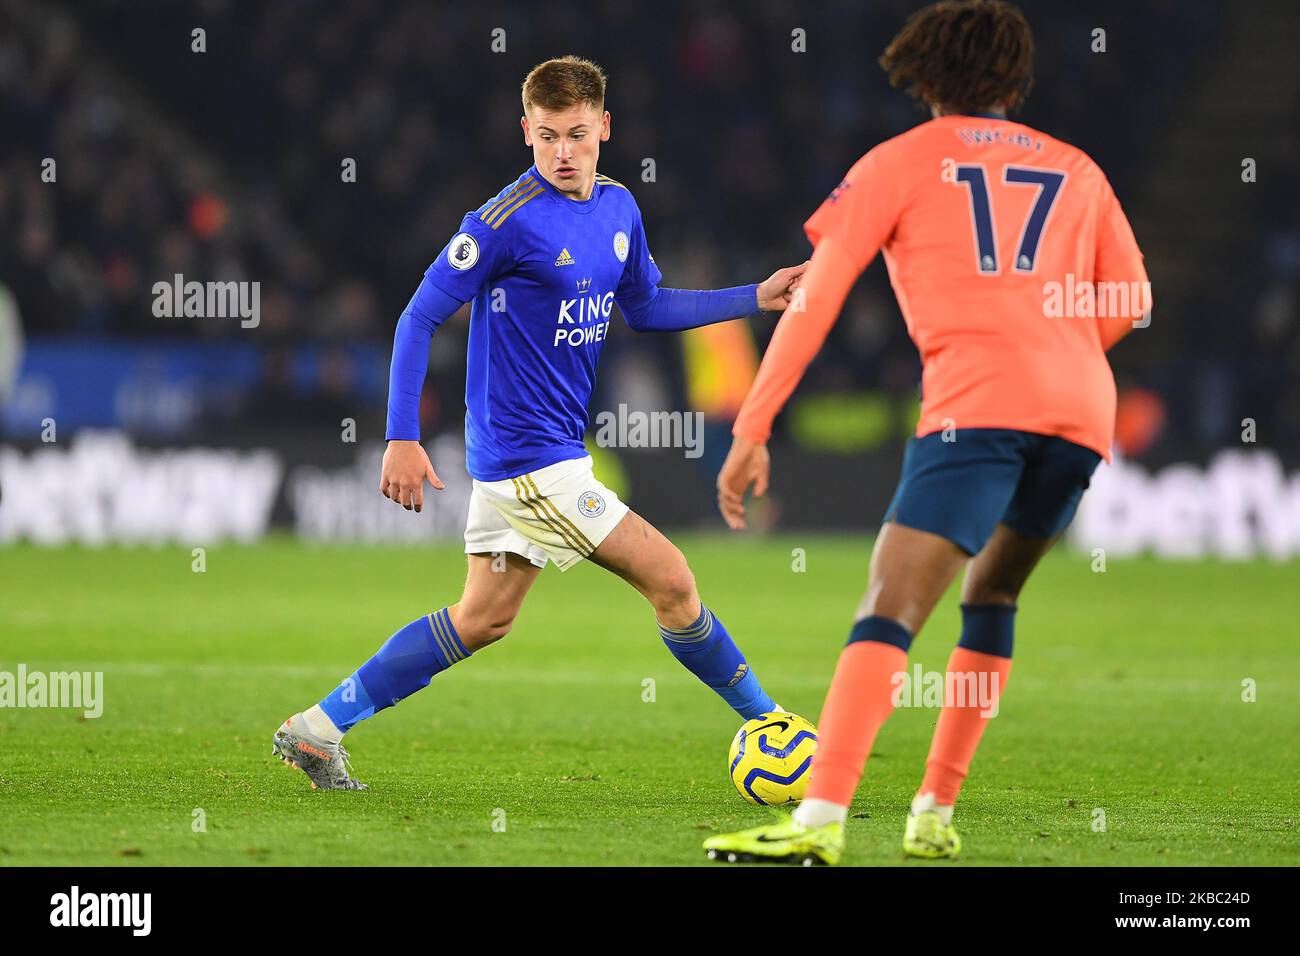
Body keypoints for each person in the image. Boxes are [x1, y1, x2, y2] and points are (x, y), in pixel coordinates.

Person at [272, 55, 807, 790]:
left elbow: (647, 307)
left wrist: (756, 296)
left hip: (547, 457)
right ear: (526, 130)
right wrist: (401, 434)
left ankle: (317, 728)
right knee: (674, 582)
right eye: (547, 135)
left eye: (577, 135)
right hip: (529, 465)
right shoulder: (501, 221)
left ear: (604, 129)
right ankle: (770, 723)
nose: (562, 152)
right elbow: (417, 316)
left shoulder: (619, 208)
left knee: (481, 618)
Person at [704, 0, 1150, 864]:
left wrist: (753, 424)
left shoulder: (899, 163)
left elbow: (819, 296)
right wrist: (1054, 347)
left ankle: (817, 823)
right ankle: (933, 814)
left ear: (922, 73)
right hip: (1079, 414)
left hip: (978, 407)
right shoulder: (1077, 168)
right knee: (991, 598)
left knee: (889, 609)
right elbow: (1131, 300)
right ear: (1014, 78)